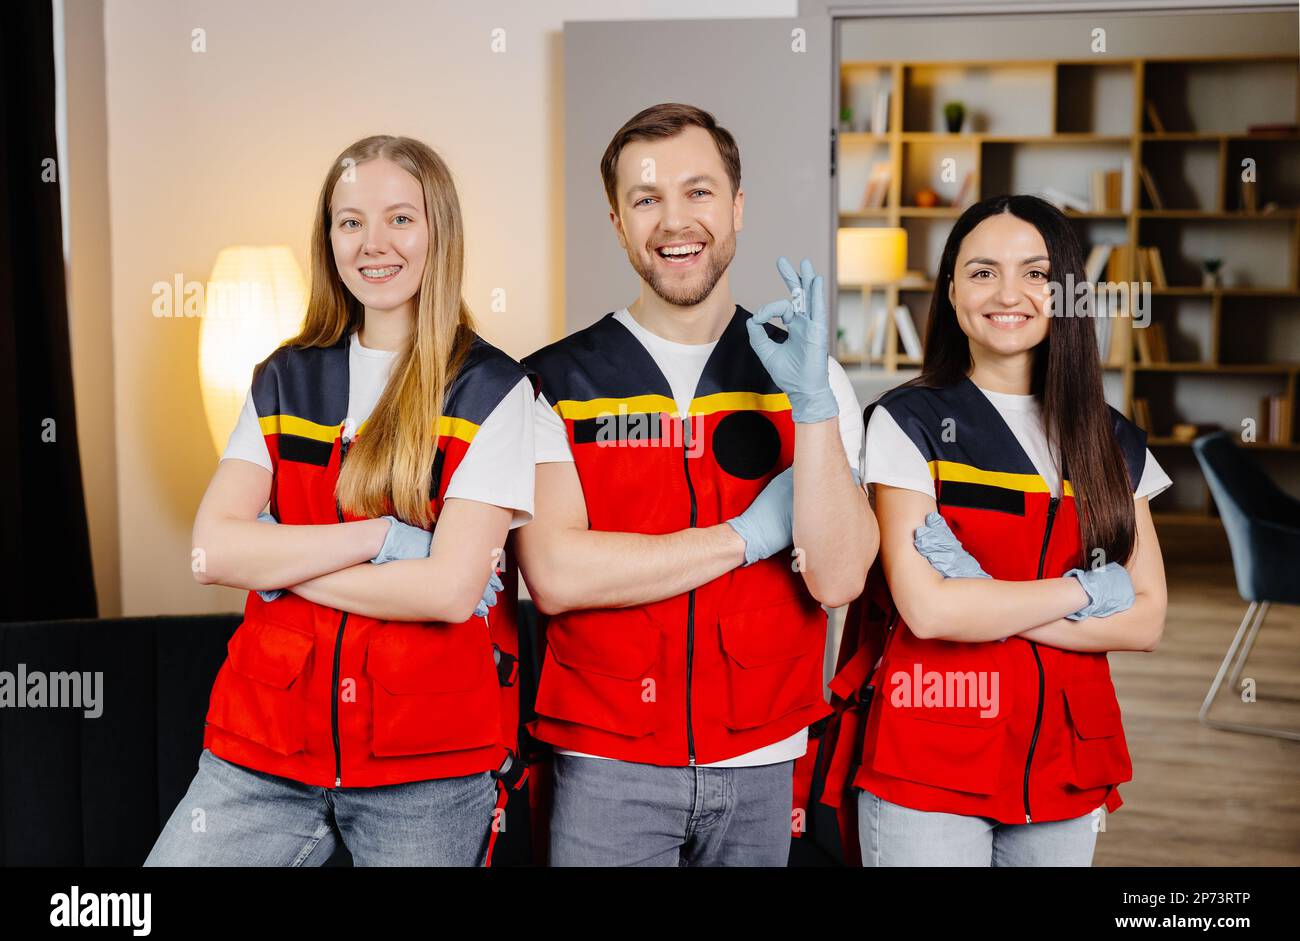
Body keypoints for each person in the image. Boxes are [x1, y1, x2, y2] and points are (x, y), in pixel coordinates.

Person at [146, 135, 537, 867]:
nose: (372, 243)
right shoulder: (283, 378)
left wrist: (274, 557)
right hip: (261, 751)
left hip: (425, 769)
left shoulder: (494, 391)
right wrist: (383, 538)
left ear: (438, 231)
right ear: (328, 238)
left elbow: (451, 592)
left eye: (400, 218)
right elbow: (212, 552)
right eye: (350, 221)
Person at [516, 103, 877, 867]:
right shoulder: (554, 382)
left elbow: (840, 577)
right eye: (646, 199)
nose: (674, 221)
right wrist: (746, 539)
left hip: (763, 758)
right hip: (606, 764)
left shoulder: (812, 379)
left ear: (737, 207)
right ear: (617, 222)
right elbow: (555, 574)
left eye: (698, 191)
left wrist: (813, 409)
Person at [842, 193, 1170, 866]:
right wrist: (1087, 592)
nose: (1008, 293)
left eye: (1035, 272)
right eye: (983, 271)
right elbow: (929, 611)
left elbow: (1145, 620)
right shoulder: (908, 423)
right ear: (953, 290)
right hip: (931, 759)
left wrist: (983, 594)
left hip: (1064, 761)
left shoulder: (1111, 439)